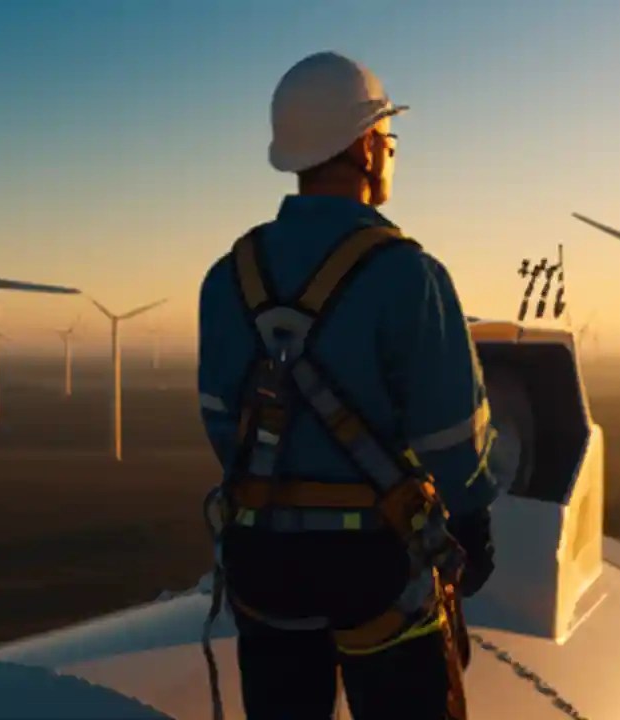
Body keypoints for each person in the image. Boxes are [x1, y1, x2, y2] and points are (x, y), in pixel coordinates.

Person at [197, 50, 497, 720]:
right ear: (365, 145)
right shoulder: (409, 276)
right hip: (378, 569)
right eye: (388, 138)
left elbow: (221, 421)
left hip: (262, 566)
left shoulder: (228, 276)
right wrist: (472, 524)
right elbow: (451, 436)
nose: (390, 152)